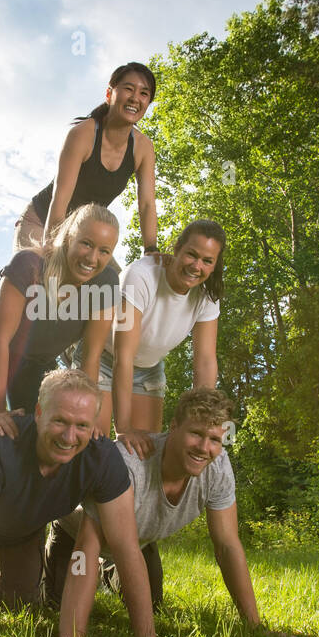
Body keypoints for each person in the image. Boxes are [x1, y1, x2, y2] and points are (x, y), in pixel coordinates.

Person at [0, 369, 167, 637]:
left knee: (18, 604)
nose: (69, 436)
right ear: (38, 413)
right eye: (60, 420)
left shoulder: (102, 458)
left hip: (21, 527)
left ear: (95, 425)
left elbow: (126, 546)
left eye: (82, 425)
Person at [48, 388, 300, 637]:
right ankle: (20, 567)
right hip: (75, 535)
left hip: (135, 543)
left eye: (214, 439)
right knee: (41, 601)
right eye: (196, 434)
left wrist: (255, 627)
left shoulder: (217, 469)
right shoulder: (129, 463)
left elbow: (227, 545)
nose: (204, 448)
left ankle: (109, 572)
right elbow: (86, 548)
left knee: (151, 603)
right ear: (174, 426)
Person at [76, 219, 227, 587]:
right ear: (176, 250)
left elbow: (205, 361)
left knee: (147, 458)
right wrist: (123, 426)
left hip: (149, 369)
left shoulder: (207, 296)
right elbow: (124, 354)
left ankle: (125, 562)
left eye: (208, 261)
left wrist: (209, 425)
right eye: (191, 254)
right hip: (110, 361)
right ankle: (72, 539)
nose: (197, 266)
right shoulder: (142, 276)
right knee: (96, 448)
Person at [0, 204, 121, 472]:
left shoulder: (107, 282)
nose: (92, 258)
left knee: (33, 446)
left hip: (36, 366)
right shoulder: (29, 265)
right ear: (67, 239)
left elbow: (91, 356)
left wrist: (89, 415)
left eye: (104, 251)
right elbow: (0, 341)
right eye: (86, 244)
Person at [13, 63, 160, 256]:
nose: (135, 98)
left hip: (83, 234)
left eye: (144, 93)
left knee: (111, 284)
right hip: (43, 222)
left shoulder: (143, 147)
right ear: (109, 94)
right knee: (37, 281)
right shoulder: (82, 134)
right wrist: (50, 251)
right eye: (128, 89)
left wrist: (150, 250)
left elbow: (147, 204)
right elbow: (60, 198)